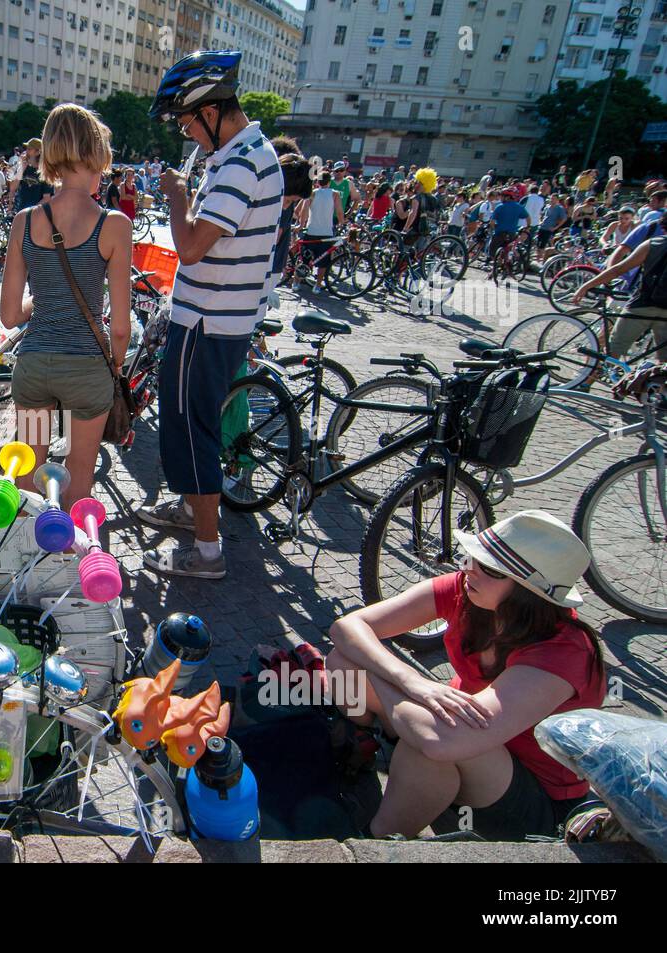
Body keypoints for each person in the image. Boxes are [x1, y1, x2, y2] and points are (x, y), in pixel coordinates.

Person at [326, 511, 605, 841]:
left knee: (428, 752)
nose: (468, 567)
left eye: (488, 567)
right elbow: (347, 628)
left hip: (530, 799)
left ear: (529, 592)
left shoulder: (564, 650)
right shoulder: (470, 591)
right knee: (343, 662)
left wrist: (382, 683)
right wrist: (410, 681)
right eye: (473, 556)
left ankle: (375, 840)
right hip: (463, 741)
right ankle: (364, 741)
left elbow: (444, 741)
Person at [136, 50, 285, 579]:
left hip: (207, 320)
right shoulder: (244, 154)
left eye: (186, 121)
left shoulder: (241, 162)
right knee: (187, 421)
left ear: (211, 110)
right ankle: (192, 511)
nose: (186, 133)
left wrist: (177, 198)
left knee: (190, 426)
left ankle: (206, 549)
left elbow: (194, 245)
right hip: (217, 317)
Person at [0, 103, 131, 512]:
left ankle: (25, 560)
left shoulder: (25, 219)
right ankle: (69, 567)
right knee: (78, 480)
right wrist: (116, 366)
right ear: (96, 153)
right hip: (87, 372)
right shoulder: (114, 225)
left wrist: (44, 298)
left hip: (35, 367)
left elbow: (9, 315)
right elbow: (121, 326)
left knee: (28, 474)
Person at [573, 232, 667, 359]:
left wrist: (587, 285)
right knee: (663, 363)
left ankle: (586, 378)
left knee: (612, 354)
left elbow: (619, 269)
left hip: (641, 306)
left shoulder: (653, 244)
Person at [298, 168, 343, 289]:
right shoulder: (335, 194)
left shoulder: (312, 193)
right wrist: (341, 222)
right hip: (326, 232)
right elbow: (339, 211)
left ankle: (296, 282)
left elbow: (304, 211)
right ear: (329, 182)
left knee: (305, 259)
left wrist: (301, 225)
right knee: (323, 263)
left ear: (318, 182)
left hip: (312, 230)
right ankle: (317, 285)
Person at [12, 138, 54, 211]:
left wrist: (30, 212)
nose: (26, 152)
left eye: (29, 149)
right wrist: (21, 168)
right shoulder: (24, 168)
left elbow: (47, 198)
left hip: (37, 215)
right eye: (27, 149)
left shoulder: (45, 172)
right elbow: (12, 188)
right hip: (21, 212)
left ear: (38, 152)